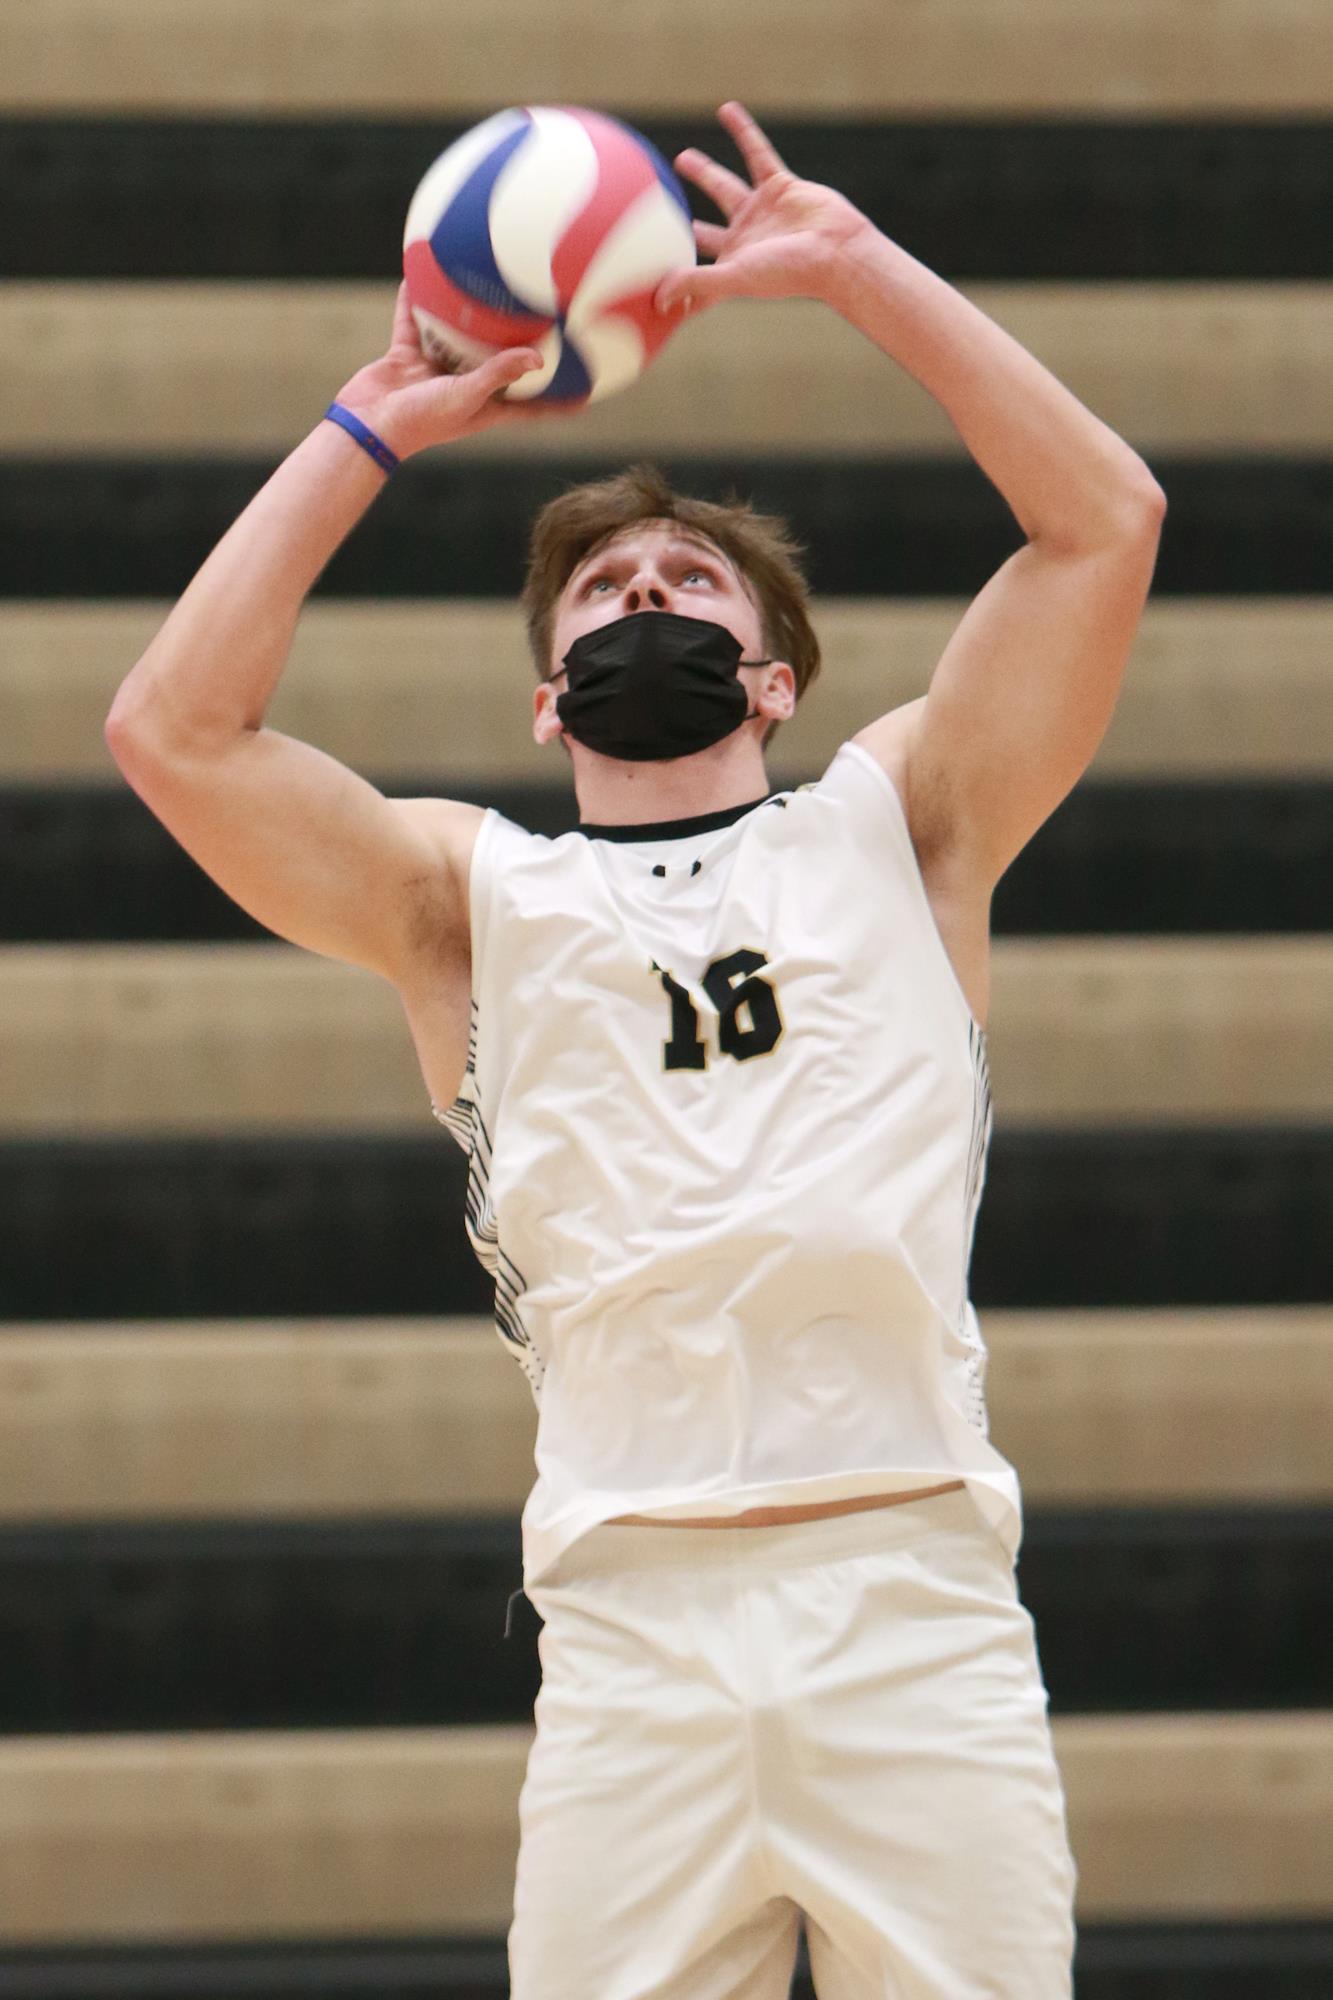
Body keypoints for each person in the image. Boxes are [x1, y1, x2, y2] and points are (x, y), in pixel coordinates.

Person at [106, 101, 1165, 2000]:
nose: (644, 597)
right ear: (547, 698)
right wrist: (371, 424)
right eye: (604, 590)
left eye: (687, 585)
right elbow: (171, 734)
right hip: (627, 1628)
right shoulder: (464, 897)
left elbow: (1105, 523)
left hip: (908, 1597)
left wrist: (861, 274)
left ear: (773, 677)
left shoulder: (908, 820)